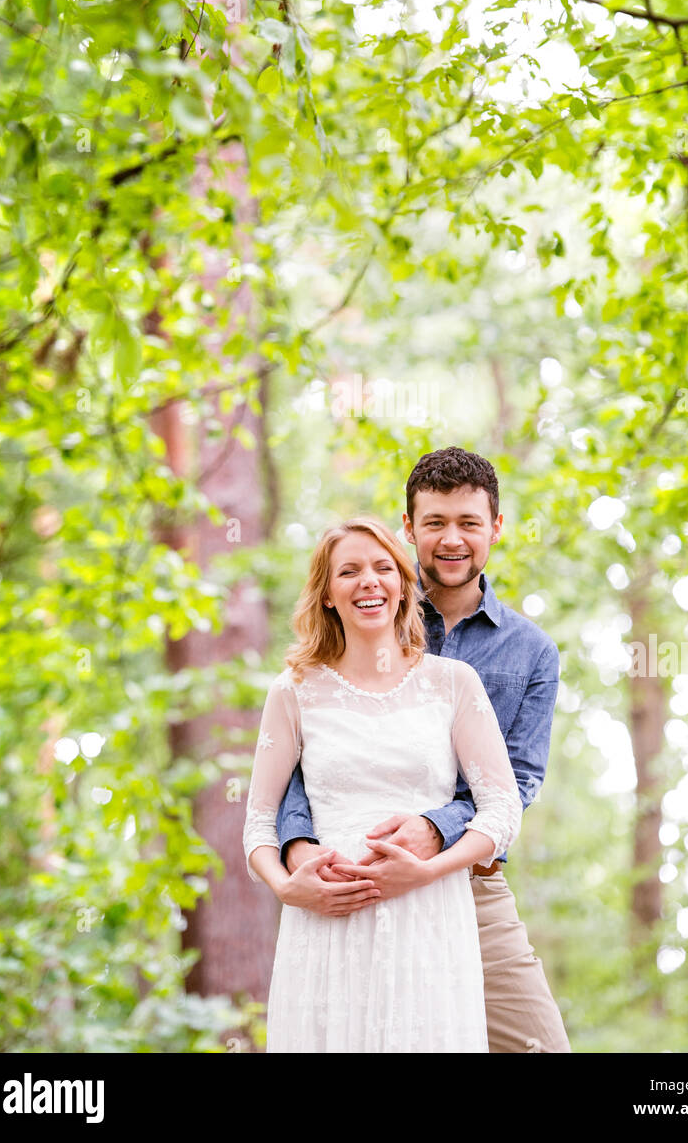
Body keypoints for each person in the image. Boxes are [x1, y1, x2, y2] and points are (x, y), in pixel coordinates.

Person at [278, 446, 571, 1053]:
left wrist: (436, 831)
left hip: (469, 877)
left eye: (468, 522)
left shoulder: (531, 651)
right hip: (349, 873)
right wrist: (297, 843)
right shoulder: (366, 612)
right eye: (434, 523)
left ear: (495, 527)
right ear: (409, 529)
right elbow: (306, 753)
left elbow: (515, 783)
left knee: (540, 1047)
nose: (451, 539)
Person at [242, 513, 522, 1053]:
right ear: (326, 594)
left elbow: (501, 811)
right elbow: (257, 820)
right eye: (348, 572)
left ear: (402, 584)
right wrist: (285, 886)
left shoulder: (452, 683)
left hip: (430, 918)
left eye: (382, 568)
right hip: (325, 924)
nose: (368, 581)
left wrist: (425, 871)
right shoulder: (293, 691)